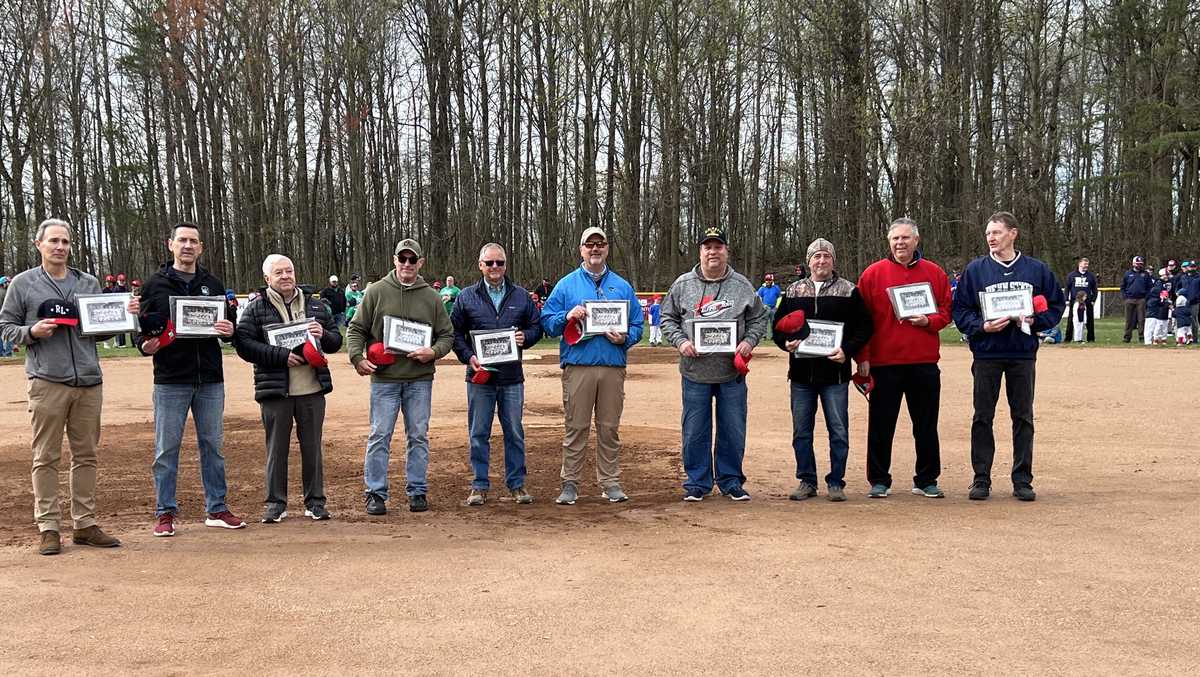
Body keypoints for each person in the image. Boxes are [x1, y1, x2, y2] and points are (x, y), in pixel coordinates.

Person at [0, 218, 137, 555]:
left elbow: (99, 331)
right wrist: (31, 332)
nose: (60, 247)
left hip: (89, 381)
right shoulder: (24, 283)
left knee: (86, 455)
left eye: (65, 241)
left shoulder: (88, 282)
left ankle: (84, 524)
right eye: (53, 241)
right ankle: (48, 527)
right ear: (39, 244)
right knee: (45, 456)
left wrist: (124, 314)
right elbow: (5, 326)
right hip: (47, 380)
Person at [136, 222, 246, 536]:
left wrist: (230, 330)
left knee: (213, 446)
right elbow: (142, 329)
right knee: (166, 449)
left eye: (193, 241)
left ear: (200, 248)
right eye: (182, 240)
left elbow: (229, 326)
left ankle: (217, 508)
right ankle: (165, 513)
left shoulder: (212, 283)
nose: (187, 246)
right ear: (170, 244)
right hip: (170, 378)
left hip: (209, 377)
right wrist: (145, 345)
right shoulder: (154, 284)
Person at [952, 211, 1065, 501]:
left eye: (996, 232)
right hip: (987, 353)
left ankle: (1022, 479)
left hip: (1022, 354)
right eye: (988, 234)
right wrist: (982, 326)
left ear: (1013, 233)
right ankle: (981, 479)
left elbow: (1055, 305)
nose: (991, 238)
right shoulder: (976, 270)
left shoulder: (1036, 270)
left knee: (1023, 417)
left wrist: (1035, 321)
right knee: (982, 416)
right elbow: (961, 310)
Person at [660, 226, 769, 501]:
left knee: (732, 428)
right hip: (695, 372)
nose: (713, 252)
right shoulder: (683, 284)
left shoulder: (741, 285)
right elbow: (667, 318)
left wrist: (749, 342)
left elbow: (759, 317)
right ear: (700, 251)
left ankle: (730, 481)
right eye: (707, 247)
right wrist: (681, 342)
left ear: (726, 251)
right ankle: (697, 482)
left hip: (731, 372)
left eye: (718, 246)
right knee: (695, 429)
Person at [346, 238, 454, 515]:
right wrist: (357, 357)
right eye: (402, 258)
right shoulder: (376, 291)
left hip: (419, 378)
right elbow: (356, 329)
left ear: (420, 262)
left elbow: (447, 335)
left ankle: (417, 490)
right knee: (379, 435)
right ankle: (375, 493)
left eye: (412, 259)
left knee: (418, 435)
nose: (407, 264)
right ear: (394, 260)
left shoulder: (432, 296)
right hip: (385, 379)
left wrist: (433, 352)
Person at [235, 255, 343, 523]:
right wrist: (279, 356)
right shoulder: (256, 308)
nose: (285, 276)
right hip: (275, 390)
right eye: (278, 272)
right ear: (267, 278)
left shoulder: (316, 305)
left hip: (312, 388)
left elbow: (335, 341)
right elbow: (244, 344)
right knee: (276, 449)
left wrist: (323, 334)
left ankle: (315, 502)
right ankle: (275, 503)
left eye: (289, 271)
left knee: (312, 448)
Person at [540, 226, 644, 505]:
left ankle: (610, 482)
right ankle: (570, 483)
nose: (595, 248)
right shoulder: (566, 285)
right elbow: (547, 322)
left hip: (612, 365)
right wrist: (567, 315)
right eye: (590, 244)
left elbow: (637, 324)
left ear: (607, 248)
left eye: (600, 243)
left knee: (609, 428)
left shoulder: (622, 286)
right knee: (576, 427)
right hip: (578, 366)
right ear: (581, 249)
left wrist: (625, 338)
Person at [855, 218, 952, 499]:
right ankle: (879, 479)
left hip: (923, 362)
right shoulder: (873, 274)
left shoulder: (934, 273)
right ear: (889, 241)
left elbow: (946, 311)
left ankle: (926, 479)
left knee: (926, 424)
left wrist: (929, 321)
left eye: (906, 238)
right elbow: (861, 321)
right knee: (881, 425)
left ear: (916, 240)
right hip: (884, 363)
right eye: (895, 238)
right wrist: (863, 357)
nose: (900, 243)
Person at [772, 238, 873, 502]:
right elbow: (778, 327)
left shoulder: (848, 290)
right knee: (801, 431)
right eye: (816, 256)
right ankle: (807, 480)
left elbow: (865, 327)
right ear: (809, 262)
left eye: (826, 256)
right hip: (801, 374)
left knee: (838, 430)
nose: (821, 261)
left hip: (835, 374)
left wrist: (847, 350)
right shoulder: (794, 291)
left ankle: (836, 481)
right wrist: (786, 343)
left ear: (833, 260)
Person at [450, 243, 543, 506]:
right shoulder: (466, 296)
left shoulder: (521, 296)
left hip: (511, 377)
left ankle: (517, 484)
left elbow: (537, 326)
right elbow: (454, 333)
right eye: (489, 263)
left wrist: (527, 337)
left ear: (505, 265)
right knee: (479, 432)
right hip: (480, 376)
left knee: (514, 431)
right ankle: (479, 485)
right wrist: (468, 356)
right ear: (480, 265)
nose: (494, 267)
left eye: (499, 262)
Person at [1064, 257, 1097, 342]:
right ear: (1079, 264)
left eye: (1087, 264)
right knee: (1071, 320)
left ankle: (1091, 339)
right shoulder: (1071, 275)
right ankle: (1068, 338)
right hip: (1075, 302)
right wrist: (1066, 299)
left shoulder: (1091, 276)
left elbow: (1094, 289)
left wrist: (1093, 300)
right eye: (1085, 264)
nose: (1086, 266)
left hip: (1087, 302)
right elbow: (1067, 289)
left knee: (1089, 320)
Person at [1120, 256, 1153, 343]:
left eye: (1141, 264)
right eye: (1137, 263)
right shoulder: (1127, 274)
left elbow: (1150, 287)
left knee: (1141, 319)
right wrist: (1125, 297)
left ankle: (1142, 337)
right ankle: (1127, 337)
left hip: (1141, 299)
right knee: (1129, 320)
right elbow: (1122, 286)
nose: (1139, 265)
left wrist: (1146, 298)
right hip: (1129, 299)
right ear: (1133, 263)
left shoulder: (1145, 274)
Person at [1145, 274, 1170, 346]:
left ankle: (1151, 341)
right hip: (1151, 316)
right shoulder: (1153, 300)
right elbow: (1160, 304)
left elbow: (1162, 304)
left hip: (1154, 316)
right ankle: (1147, 342)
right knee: (1149, 329)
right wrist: (1162, 300)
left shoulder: (1154, 299)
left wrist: (1163, 300)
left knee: (1152, 329)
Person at [0, 275, 12, 357]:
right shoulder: (6, 293)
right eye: (7, 282)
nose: (9, 284)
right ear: (3, 283)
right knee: (9, 333)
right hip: (5, 316)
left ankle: (1, 353)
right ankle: (8, 352)